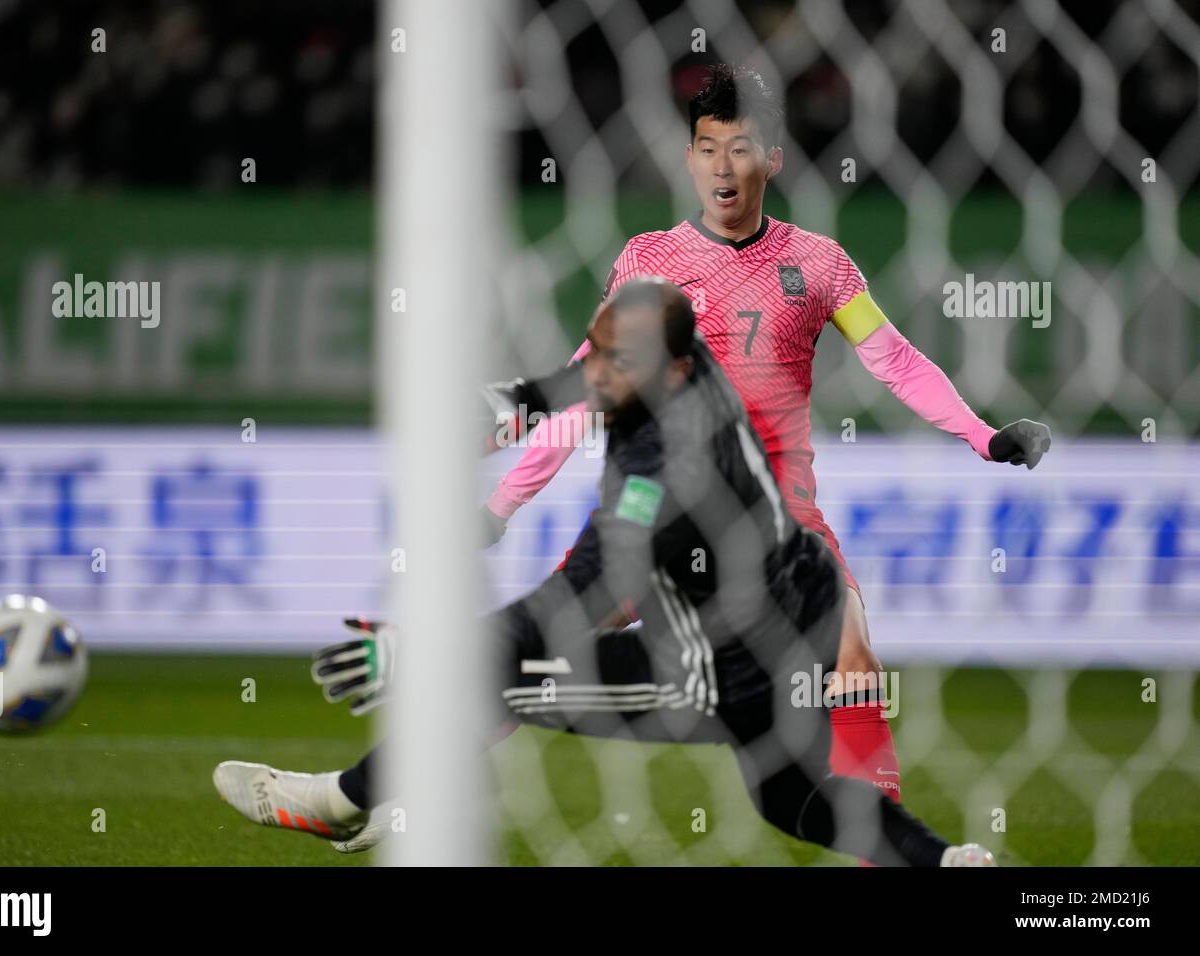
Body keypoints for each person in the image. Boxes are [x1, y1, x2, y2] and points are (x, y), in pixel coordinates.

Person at [213, 277, 995, 866]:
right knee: (789, 798)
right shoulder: (691, 371)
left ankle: (340, 803)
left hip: (717, 666)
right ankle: (943, 862)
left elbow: (571, 599)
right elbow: (575, 385)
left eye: (618, 358)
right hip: (803, 605)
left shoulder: (662, 474)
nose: (599, 369)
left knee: (487, 671)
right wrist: (504, 406)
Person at [478, 64, 1051, 811]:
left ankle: (886, 853)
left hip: (785, 519)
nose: (722, 167)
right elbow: (581, 392)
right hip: (661, 510)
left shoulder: (819, 264)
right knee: (542, 652)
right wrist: (500, 506)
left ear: (773, 156)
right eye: (708, 147)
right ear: (689, 156)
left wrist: (983, 436)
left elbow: (896, 361)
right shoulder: (649, 263)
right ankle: (390, 789)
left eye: (740, 147)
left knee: (852, 658)